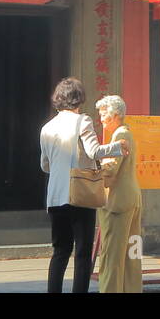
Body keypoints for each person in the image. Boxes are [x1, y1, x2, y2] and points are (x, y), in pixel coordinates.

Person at [39, 77, 125, 294]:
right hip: (80, 194)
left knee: (60, 251)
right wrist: (117, 147)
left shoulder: (47, 128)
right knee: (83, 253)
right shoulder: (82, 121)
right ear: (78, 99)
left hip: (55, 197)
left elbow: (44, 165)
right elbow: (94, 151)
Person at [96, 94, 142, 294]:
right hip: (131, 198)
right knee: (131, 255)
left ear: (114, 115)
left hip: (118, 202)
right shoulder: (127, 133)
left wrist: (92, 168)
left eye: (103, 115)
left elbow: (111, 169)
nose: (101, 120)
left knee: (112, 256)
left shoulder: (119, 136)